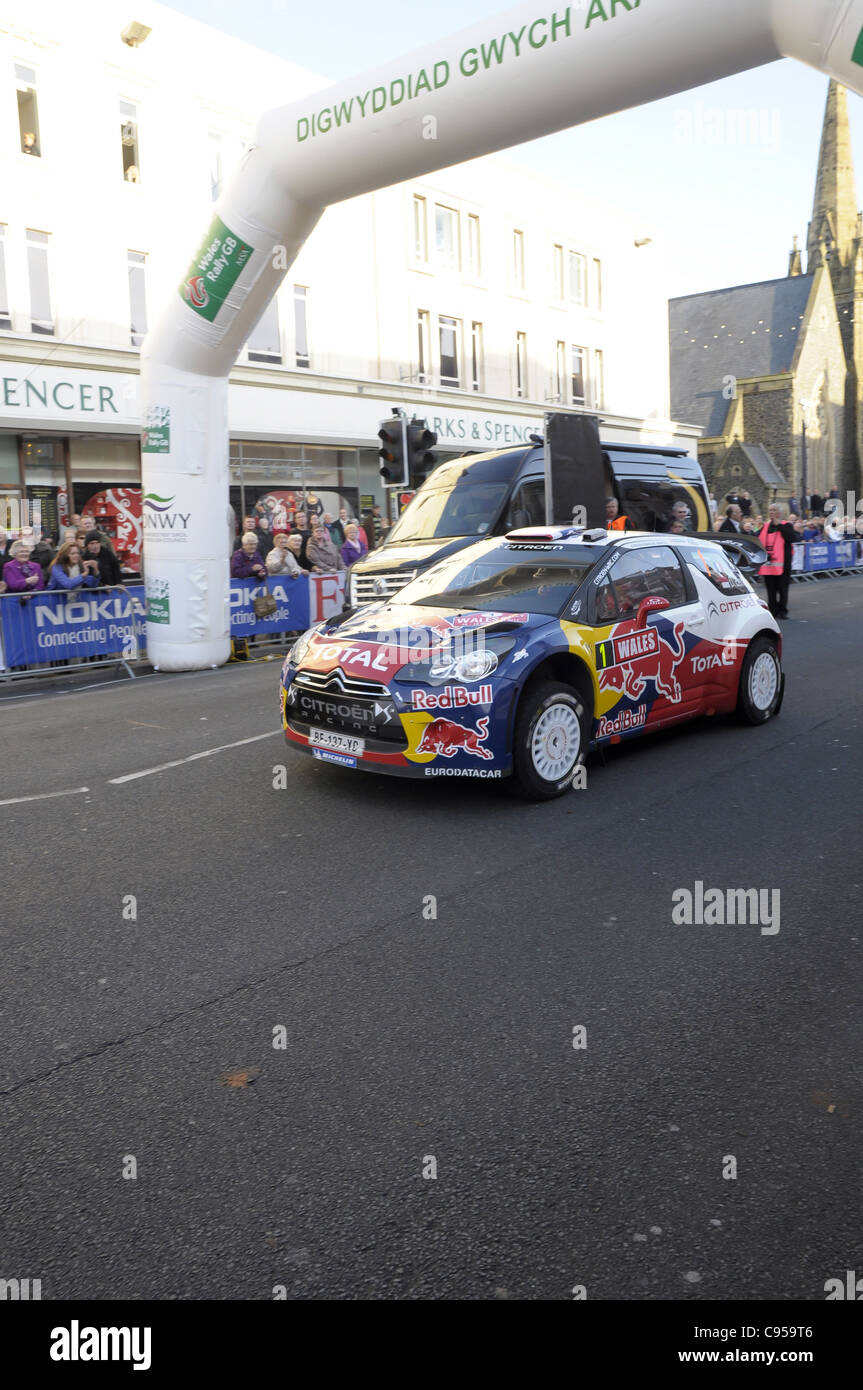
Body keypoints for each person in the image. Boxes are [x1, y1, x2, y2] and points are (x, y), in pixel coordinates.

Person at [758, 502, 796, 619]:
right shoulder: (765, 527)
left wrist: (779, 525)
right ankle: (773, 610)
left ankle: (782, 610)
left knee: (783, 589)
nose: (771, 512)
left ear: (779, 513)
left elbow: (791, 538)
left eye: (774, 510)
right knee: (771, 589)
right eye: (770, 510)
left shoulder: (786, 525)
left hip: (783, 564)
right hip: (769, 564)